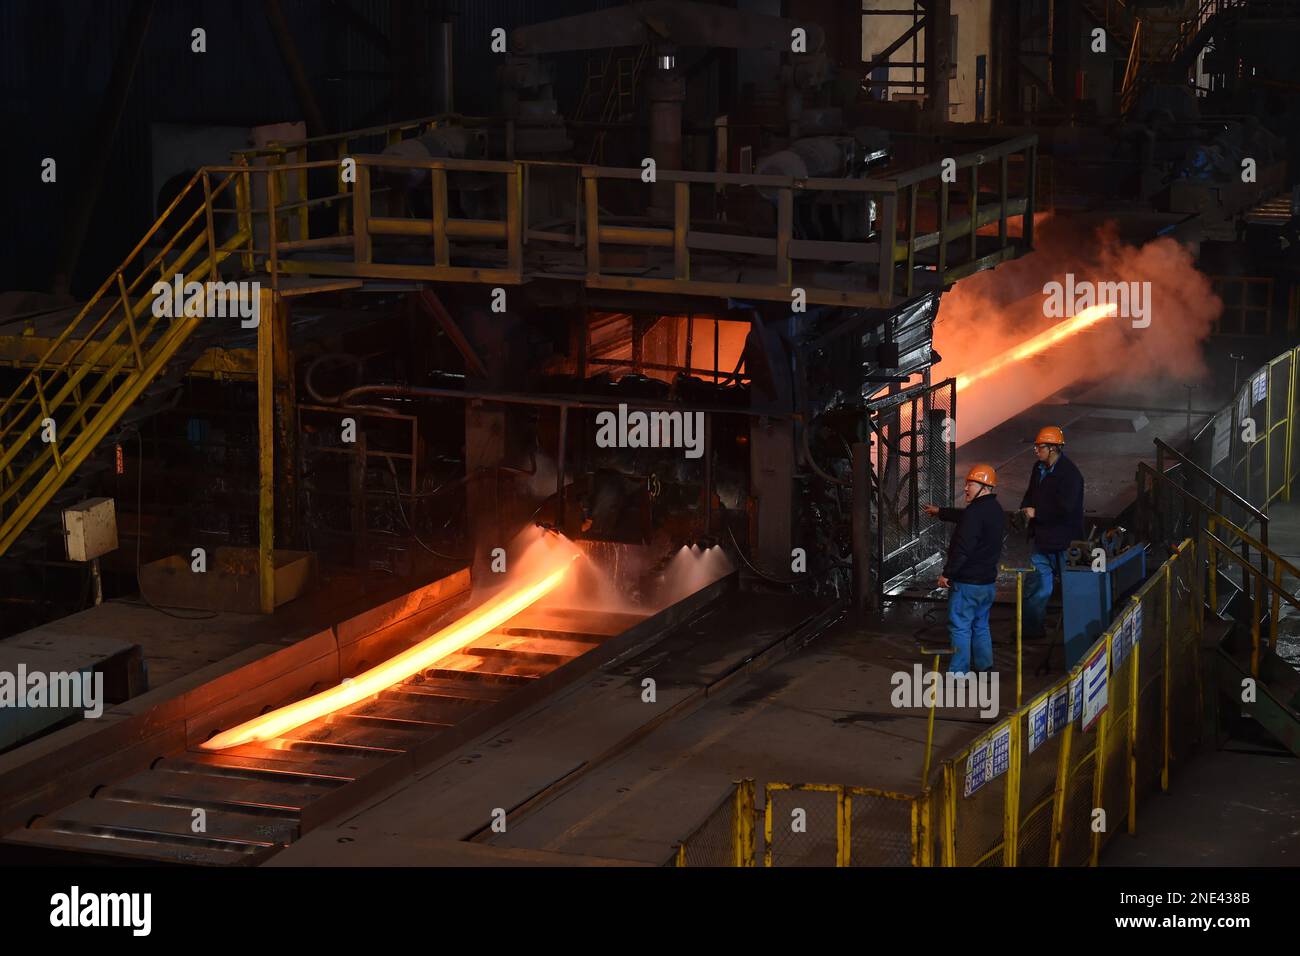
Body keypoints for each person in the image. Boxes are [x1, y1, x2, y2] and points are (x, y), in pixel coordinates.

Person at [923, 464, 1005, 674]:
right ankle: (984, 668)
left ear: (985, 487)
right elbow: (968, 517)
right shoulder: (994, 510)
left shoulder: (975, 513)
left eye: (971, 484)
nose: (966, 488)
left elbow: (962, 549)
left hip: (967, 583)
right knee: (980, 625)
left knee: (960, 626)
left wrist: (947, 574)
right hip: (986, 582)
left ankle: (958, 673)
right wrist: (941, 512)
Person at [1018, 426, 1085, 640]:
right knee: (1037, 589)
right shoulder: (1038, 469)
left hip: (1065, 542)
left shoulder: (1070, 475)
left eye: (1041, 447)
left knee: (1073, 590)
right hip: (1043, 540)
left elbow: (1066, 508)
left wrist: (1037, 513)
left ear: (1054, 448)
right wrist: (1024, 512)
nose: (1036, 450)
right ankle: (1032, 631)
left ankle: (1075, 634)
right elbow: (1030, 495)